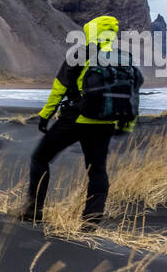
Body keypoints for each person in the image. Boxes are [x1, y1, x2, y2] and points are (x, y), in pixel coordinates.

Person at [21, 15, 139, 229]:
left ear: (91, 31)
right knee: (97, 170)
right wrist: (126, 124)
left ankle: (33, 211)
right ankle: (91, 221)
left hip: (75, 119)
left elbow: (60, 87)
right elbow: (132, 93)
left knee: (40, 158)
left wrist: (45, 115)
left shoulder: (81, 54)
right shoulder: (124, 57)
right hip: (104, 124)